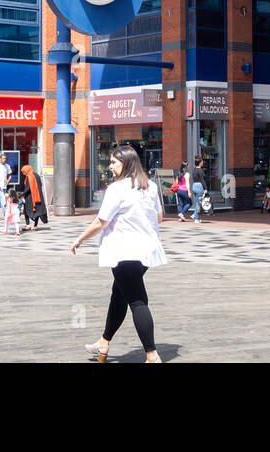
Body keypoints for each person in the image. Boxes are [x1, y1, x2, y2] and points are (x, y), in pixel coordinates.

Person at [72, 145, 166, 363]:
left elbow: (101, 222)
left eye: (114, 162)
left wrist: (80, 239)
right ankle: (104, 342)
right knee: (119, 293)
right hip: (146, 251)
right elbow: (159, 217)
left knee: (137, 300)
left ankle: (152, 354)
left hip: (124, 252)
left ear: (126, 163)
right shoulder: (150, 186)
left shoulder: (117, 189)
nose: (110, 166)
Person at [19, 163, 47, 231]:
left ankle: (28, 225)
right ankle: (35, 226)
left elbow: (28, 189)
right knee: (37, 211)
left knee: (26, 210)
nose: (23, 174)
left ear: (27, 170)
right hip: (38, 196)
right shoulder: (37, 175)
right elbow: (40, 184)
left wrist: (21, 194)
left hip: (30, 198)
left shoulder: (29, 177)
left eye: (24, 172)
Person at [189, 157, 209, 223]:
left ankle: (195, 216)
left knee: (198, 202)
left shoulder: (194, 170)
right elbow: (202, 180)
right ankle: (195, 217)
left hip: (194, 186)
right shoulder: (200, 170)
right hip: (199, 186)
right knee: (199, 203)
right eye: (202, 162)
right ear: (200, 163)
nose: (203, 163)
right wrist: (205, 188)